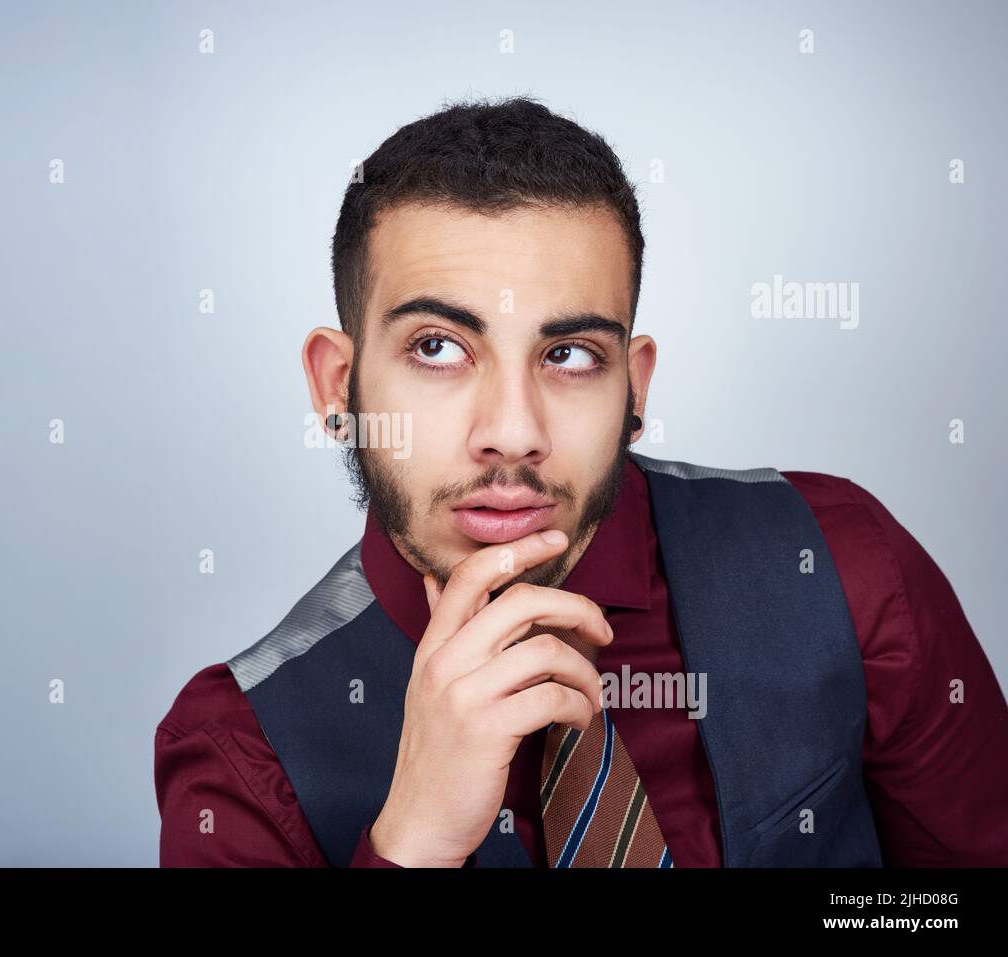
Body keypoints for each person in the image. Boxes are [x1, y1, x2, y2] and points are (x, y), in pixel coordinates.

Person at [154, 96, 1008, 867]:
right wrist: (409, 846)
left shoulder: (840, 566)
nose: (513, 433)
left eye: (568, 356)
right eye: (438, 348)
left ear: (634, 388)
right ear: (336, 386)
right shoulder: (238, 757)